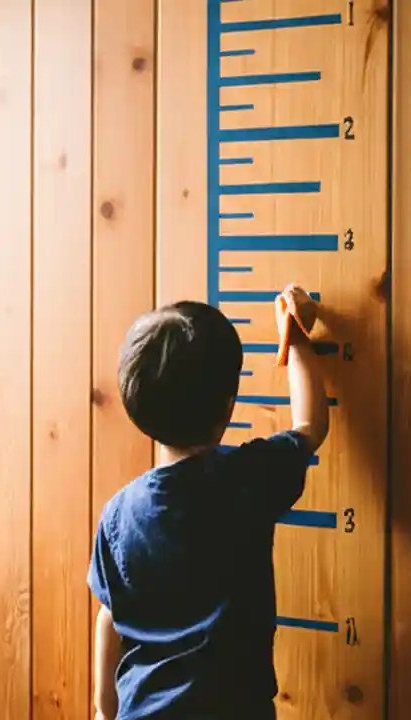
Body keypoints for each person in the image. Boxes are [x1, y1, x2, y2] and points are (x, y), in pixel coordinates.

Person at [89, 285, 329, 720]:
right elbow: (310, 424)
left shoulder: (118, 515)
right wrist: (294, 335)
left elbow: (110, 614)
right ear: (228, 406)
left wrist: (104, 710)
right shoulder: (249, 478)